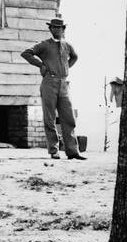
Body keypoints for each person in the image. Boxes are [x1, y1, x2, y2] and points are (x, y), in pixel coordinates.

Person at [21, 13, 84, 160]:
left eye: (60, 27)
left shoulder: (67, 45)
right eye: (54, 27)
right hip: (49, 82)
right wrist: (41, 65)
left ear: (63, 29)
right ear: (50, 29)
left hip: (63, 84)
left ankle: (73, 151)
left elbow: (75, 56)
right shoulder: (44, 44)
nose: (57, 30)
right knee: (49, 118)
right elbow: (26, 53)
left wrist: (66, 68)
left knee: (68, 118)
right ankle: (54, 150)